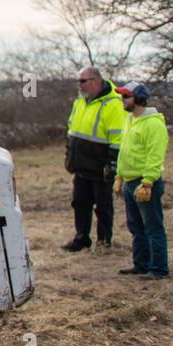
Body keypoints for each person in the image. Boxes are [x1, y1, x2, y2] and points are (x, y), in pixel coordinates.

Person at [62, 65, 127, 252]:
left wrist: (112, 164)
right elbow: (71, 131)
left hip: (100, 165)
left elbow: (118, 138)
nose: (79, 85)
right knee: (80, 203)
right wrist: (69, 156)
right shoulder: (80, 102)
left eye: (83, 81)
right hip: (81, 164)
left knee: (103, 206)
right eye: (78, 81)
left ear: (96, 81)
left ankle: (104, 241)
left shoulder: (113, 104)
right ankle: (81, 238)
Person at [114, 83, 170, 279]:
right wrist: (120, 176)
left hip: (145, 183)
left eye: (126, 97)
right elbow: (125, 151)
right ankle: (141, 265)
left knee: (153, 227)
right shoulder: (130, 120)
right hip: (130, 182)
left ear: (138, 98)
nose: (123, 101)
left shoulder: (153, 124)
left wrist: (147, 183)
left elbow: (155, 156)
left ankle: (159, 269)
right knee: (136, 227)